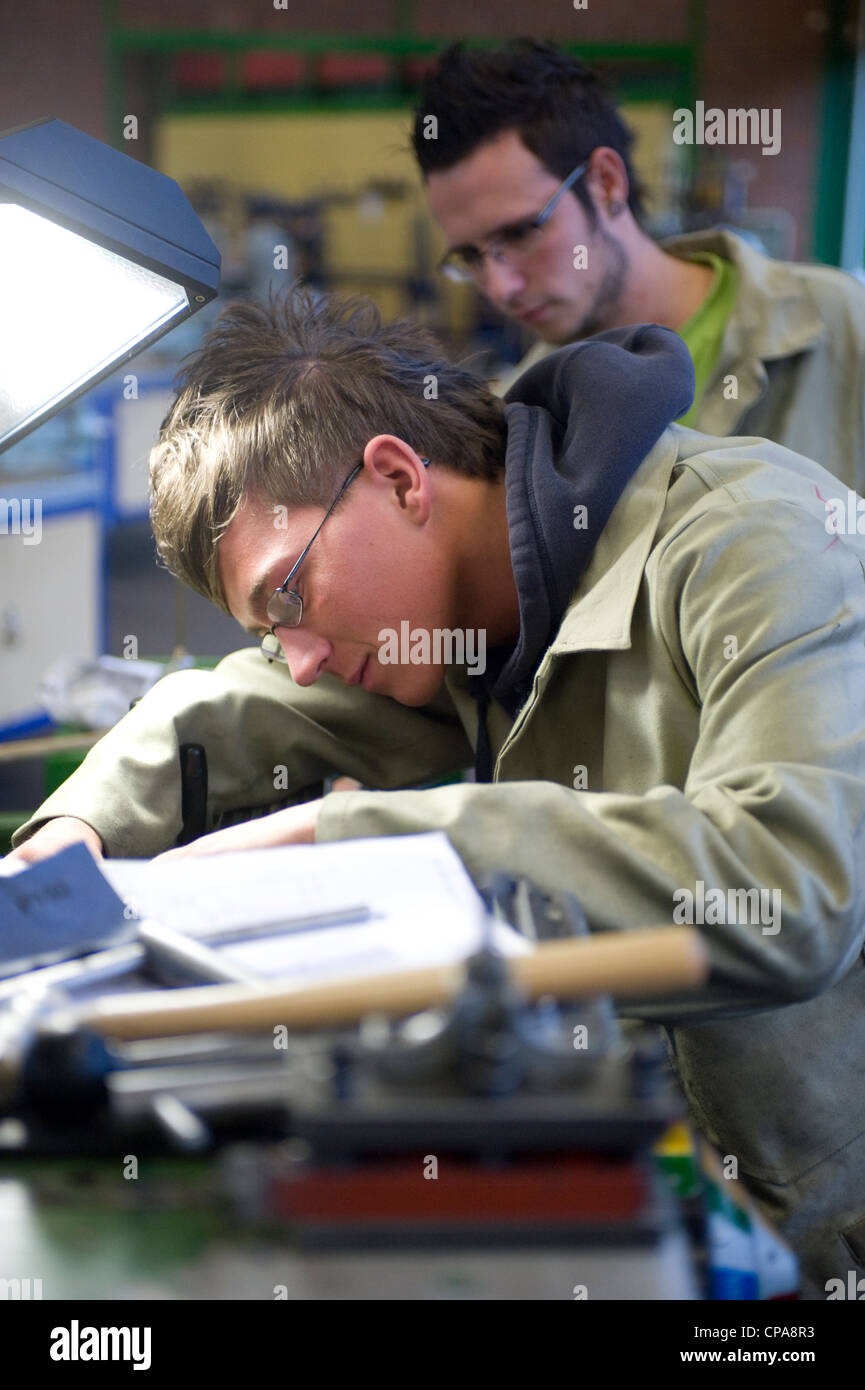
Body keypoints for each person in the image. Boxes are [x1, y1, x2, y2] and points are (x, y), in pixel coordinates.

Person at [8, 288, 865, 1298]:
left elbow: (795, 887)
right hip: (658, 1189)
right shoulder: (458, 609)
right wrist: (74, 825)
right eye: (266, 630)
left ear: (398, 477)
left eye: (290, 596)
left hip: (823, 1230)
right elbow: (241, 708)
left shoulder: (761, 543)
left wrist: (366, 837)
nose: (302, 661)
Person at [412, 40, 865, 487]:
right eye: (471, 256)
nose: (500, 288)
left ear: (606, 183)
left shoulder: (839, 324)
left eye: (520, 233)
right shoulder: (522, 419)